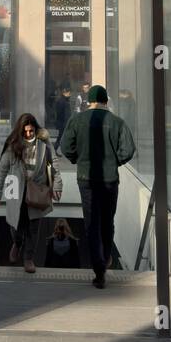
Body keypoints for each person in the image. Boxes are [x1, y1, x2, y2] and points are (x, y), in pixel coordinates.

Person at [60, 84, 134, 289]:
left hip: (86, 179)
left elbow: (66, 147)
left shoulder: (76, 120)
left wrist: (77, 159)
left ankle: (99, 268)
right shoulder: (117, 122)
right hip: (110, 179)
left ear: (89, 100)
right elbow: (128, 149)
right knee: (107, 220)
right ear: (106, 101)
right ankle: (107, 255)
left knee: (91, 223)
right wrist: (114, 161)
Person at [0, 112, 62, 274]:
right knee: (14, 224)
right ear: (20, 130)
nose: (28, 134)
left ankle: (28, 259)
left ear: (35, 129)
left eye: (31, 131)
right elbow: (1, 170)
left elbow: (55, 165)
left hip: (36, 190)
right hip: (15, 189)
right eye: (25, 131)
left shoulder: (43, 145)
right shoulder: (13, 145)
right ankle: (17, 243)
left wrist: (57, 185)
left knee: (33, 228)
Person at [52, 84, 72, 156]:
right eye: (69, 93)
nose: (70, 94)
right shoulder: (62, 101)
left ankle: (55, 151)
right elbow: (60, 113)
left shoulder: (64, 100)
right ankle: (54, 151)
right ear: (65, 93)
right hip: (62, 123)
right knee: (61, 137)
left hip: (63, 122)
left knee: (62, 137)